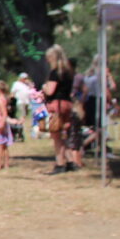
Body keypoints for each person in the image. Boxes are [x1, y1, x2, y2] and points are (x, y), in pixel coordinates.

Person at [42, 45, 74, 175]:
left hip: (57, 105)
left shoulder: (55, 73)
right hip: (67, 103)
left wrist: (44, 87)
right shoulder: (68, 72)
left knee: (56, 135)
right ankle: (71, 161)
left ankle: (60, 163)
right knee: (63, 134)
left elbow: (50, 91)